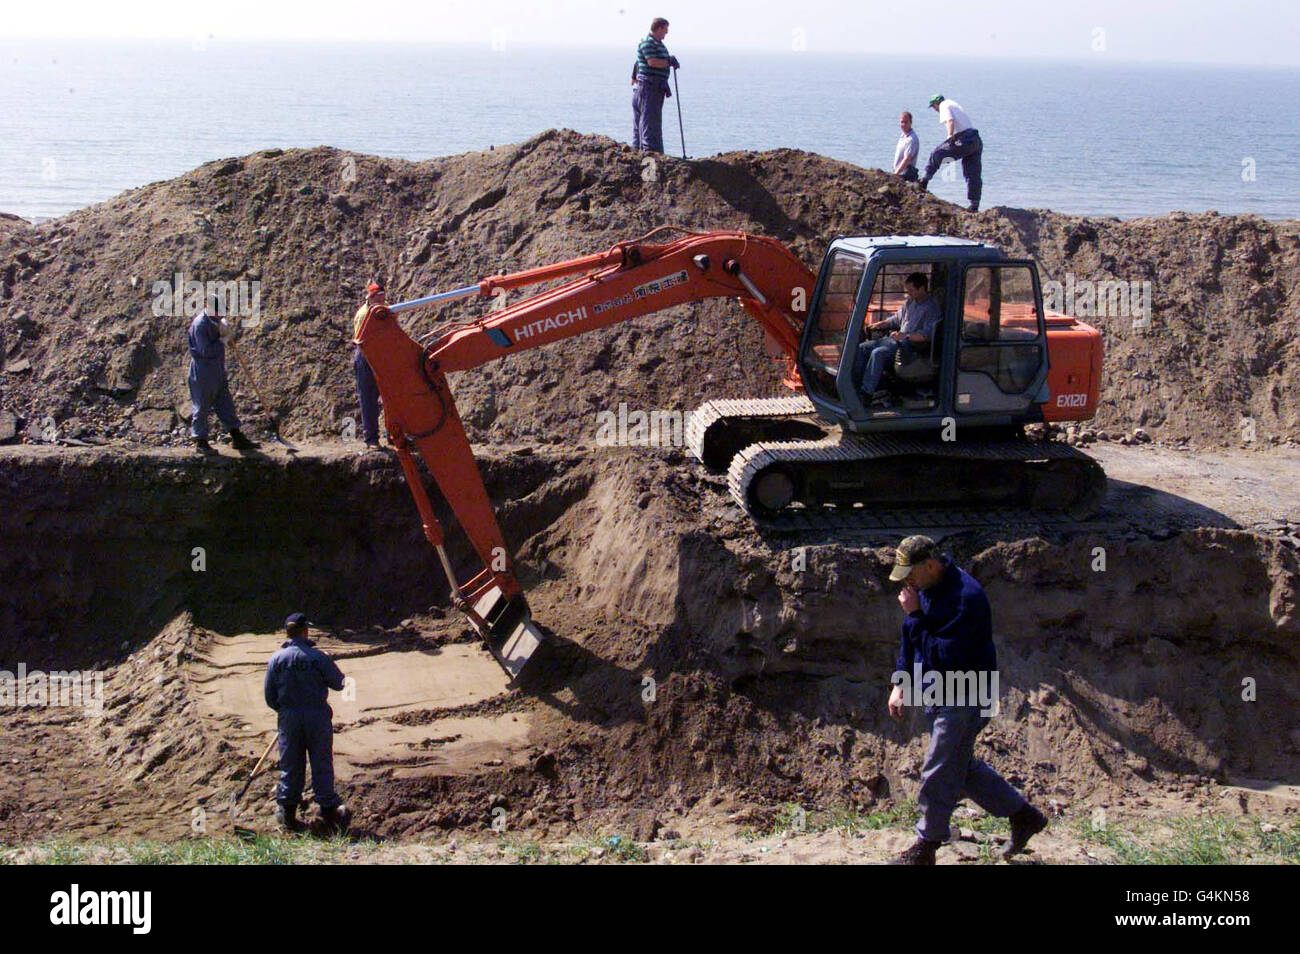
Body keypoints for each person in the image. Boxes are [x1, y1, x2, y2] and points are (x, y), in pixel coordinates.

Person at [885, 536, 1048, 864]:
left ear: (930, 565)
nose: (906, 581)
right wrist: (901, 681)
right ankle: (1024, 816)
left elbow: (945, 655)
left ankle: (926, 845)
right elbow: (911, 636)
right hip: (940, 689)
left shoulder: (966, 598)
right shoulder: (925, 587)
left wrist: (916, 616)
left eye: (910, 572)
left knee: (940, 766)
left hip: (966, 691)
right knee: (961, 767)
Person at [264, 612, 349, 833]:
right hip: (316, 718)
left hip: (289, 719)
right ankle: (328, 808)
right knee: (321, 761)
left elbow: (269, 696)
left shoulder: (275, 659)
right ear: (305, 631)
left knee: (290, 763)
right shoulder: (318, 657)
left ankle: (287, 812)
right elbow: (339, 683)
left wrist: (286, 713)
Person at [855, 272, 940, 404]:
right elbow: (896, 319)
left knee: (878, 353)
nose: (908, 293)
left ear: (922, 288)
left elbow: (926, 336)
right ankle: (866, 385)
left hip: (910, 345)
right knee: (860, 348)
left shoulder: (931, 308)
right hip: (894, 339)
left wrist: (905, 336)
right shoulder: (910, 303)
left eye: (911, 290)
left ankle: (867, 393)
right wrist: (882, 323)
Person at [187, 308, 256, 453]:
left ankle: (236, 436)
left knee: (225, 402)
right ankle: (200, 441)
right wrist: (222, 339)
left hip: (217, 369)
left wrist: (226, 335)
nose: (223, 315)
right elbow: (205, 351)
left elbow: (227, 344)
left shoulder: (216, 321)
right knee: (202, 404)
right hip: (203, 370)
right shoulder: (200, 325)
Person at [916, 94, 983, 212]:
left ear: (936, 103)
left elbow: (950, 121)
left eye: (933, 107)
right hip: (976, 140)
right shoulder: (953, 104)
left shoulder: (944, 105)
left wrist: (949, 137)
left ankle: (924, 181)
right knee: (972, 174)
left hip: (965, 138)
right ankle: (974, 204)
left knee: (937, 153)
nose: (935, 110)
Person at [631, 17, 679, 153]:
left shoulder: (657, 44)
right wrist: (669, 61)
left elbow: (638, 63)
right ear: (659, 28)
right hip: (649, 87)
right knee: (650, 122)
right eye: (665, 29)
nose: (666, 33)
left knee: (648, 121)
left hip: (653, 87)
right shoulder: (648, 43)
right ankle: (650, 154)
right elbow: (652, 62)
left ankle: (641, 152)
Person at [351, 283, 384, 450]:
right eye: (378, 296)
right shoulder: (366, 314)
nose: (381, 299)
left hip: (380, 355)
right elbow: (365, 339)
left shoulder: (382, 311)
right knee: (368, 398)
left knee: (391, 397)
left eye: (382, 296)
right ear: (371, 297)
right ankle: (371, 439)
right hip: (365, 355)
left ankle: (395, 436)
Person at [892, 111, 920, 181]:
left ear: (911, 123)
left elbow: (907, 158)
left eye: (906, 122)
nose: (903, 124)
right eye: (902, 122)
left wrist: (896, 174)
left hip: (906, 175)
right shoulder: (903, 137)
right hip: (899, 173)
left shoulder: (911, 139)